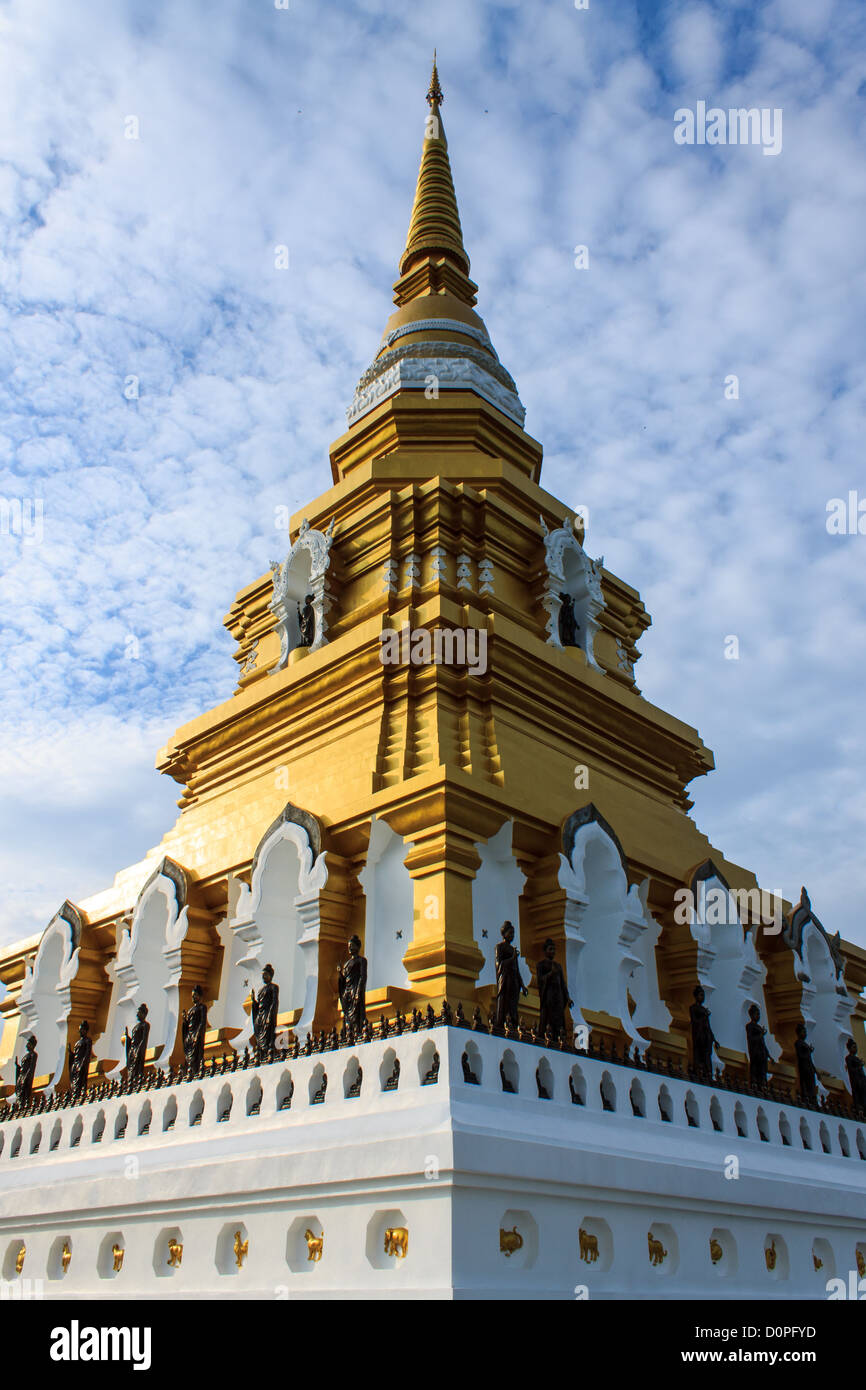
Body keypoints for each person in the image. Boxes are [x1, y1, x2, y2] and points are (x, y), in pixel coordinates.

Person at [536, 939, 573, 1040]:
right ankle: (547, 1035)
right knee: (548, 1018)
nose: (553, 951)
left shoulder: (558, 966)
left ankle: (559, 1037)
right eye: (550, 949)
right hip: (548, 996)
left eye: (554, 949)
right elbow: (540, 980)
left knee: (559, 1019)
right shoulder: (541, 965)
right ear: (545, 951)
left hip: (558, 996)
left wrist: (568, 998)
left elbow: (563, 984)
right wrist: (550, 974)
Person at [494, 922, 527, 1030]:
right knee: (504, 1001)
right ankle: (502, 1023)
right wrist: (512, 958)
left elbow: (517, 970)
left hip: (514, 981)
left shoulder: (513, 949)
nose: (512, 935)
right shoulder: (499, 947)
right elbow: (499, 964)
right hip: (505, 979)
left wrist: (522, 985)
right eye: (510, 933)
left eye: (513, 933)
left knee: (513, 1004)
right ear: (504, 934)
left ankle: (512, 1024)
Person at [338, 935, 367, 1033]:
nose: (349, 948)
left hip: (355, 989)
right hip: (347, 992)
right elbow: (344, 980)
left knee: (356, 1013)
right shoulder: (347, 964)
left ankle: (357, 1030)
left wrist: (359, 991)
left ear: (358, 947)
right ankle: (348, 1032)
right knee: (347, 1015)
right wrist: (340, 973)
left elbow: (363, 977)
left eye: (352, 945)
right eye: (349, 946)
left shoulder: (361, 961)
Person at [250, 964, 279, 1057]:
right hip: (261, 1015)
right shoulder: (260, 990)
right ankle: (261, 1050)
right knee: (259, 1033)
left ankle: (269, 1048)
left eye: (266, 974)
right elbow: (258, 1005)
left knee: (268, 1032)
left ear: (271, 976)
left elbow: (274, 1002)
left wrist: (270, 1014)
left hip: (268, 1013)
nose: (263, 976)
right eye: (263, 974)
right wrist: (253, 1001)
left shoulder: (273, 987)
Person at [689, 985, 716, 1075]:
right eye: (701, 995)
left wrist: (713, 1038)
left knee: (707, 1054)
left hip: (706, 1036)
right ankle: (699, 1069)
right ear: (696, 996)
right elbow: (694, 1021)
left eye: (703, 995)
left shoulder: (704, 1010)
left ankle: (707, 1071)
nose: (702, 997)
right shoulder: (693, 1008)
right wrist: (703, 1017)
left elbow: (708, 1025)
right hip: (699, 1036)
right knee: (700, 1053)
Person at [182, 985, 208, 1071]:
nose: (193, 997)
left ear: (200, 996)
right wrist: (184, 1020)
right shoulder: (190, 1010)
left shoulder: (202, 1007)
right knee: (188, 1056)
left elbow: (202, 1021)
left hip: (196, 1033)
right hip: (190, 1035)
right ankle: (189, 1069)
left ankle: (195, 1069)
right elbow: (187, 1024)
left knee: (196, 1054)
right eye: (192, 995)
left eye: (195, 995)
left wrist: (197, 1033)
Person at [123, 1003, 150, 1085]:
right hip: (132, 1049)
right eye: (137, 1013)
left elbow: (143, 1039)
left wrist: (139, 1050)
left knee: (136, 1068)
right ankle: (131, 1080)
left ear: (144, 1014)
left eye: (139, 1013)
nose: (137, 1015)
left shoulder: (145, 1025)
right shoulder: (136, 1027)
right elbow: (133, 1040)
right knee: (130, 1069)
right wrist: (127, 1038)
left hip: (138, 1049)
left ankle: (136, 1081)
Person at [745, 1003, 771, 1087]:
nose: (758, 1016)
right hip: (755, 1052)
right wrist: (760, 1035)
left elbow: (762, 1043)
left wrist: (768, 1054)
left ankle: (762, 1084)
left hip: (762, 1053)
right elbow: (751, 1039)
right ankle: (754, 1082)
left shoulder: (759, 1028)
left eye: (759, 1014)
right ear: (751, 1015)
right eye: (757, 1014)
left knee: (762, 1070)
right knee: (755, 1068)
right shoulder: (749, 1026)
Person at [68, 1020, 93, 1099]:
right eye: (79, 1029)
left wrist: (83, 1064)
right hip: (75, 1064)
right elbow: (75, 1055)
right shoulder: (77, 1042)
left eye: (81, 1029)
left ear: (85, 1030)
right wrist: (70, 1053)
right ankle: (75, 1094)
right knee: (74, 1082)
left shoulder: (87, 1040)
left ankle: (80, 1095)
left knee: (80, 1081)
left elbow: (87, 1053)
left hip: (81, 1063)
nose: (80, 1031)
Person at [795, 1022, 818, 1102]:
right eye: (803, 1032)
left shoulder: (805, 1045)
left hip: (809, 1067)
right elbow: (801, 1055)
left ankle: (812, 1098)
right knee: (805, 1082)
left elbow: (809, 1059)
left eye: (805, 1032)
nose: (805, 1034)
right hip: (804, 1067)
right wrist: (808, 1052)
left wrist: (816, 1072)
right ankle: (806, 1096)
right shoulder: (798, 1043)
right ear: (799, 1033)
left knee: (811, 1084)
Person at [14, 1036, 37, 1104]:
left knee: (24, 1092)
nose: (26, 1046)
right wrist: (18, 1066)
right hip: (21, 1075)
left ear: (32, 1045)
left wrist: (27, 1076)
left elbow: (32, 1067)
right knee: (19, 1091)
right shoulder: (26, 1055)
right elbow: (22, 1066)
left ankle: (24, 1103)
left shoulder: (33, 1054)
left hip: (26, 1076)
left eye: (28, 1044)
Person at [845, 1038, 866, 1113]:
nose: (856, 1049)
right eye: (854, 1047)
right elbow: (851, 1070)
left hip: (862, 1081)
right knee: (858, 1097)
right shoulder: (848, 1058)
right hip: (856, 1081)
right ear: (849, 1048)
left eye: (856, 1047)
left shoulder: (857, 1059)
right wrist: (859, 1066)